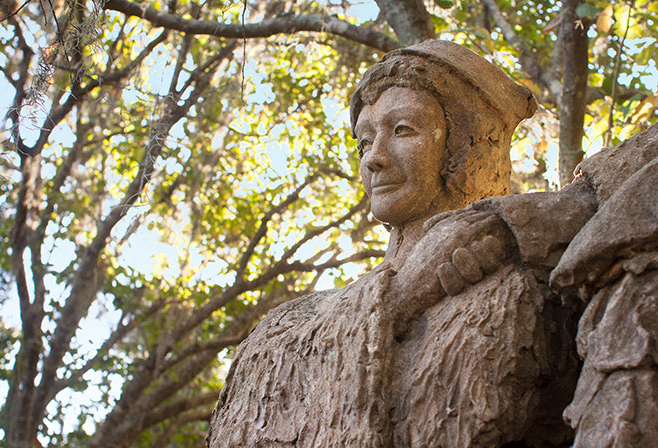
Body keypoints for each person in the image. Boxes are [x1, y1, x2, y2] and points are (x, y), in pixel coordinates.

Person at [208, 40, 592, 448]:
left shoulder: (516, 288)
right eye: (364, 141)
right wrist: (402, 295)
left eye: (403, 129)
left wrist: (505, 227)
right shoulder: (290, 320)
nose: (374, 157)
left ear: (465, 145)